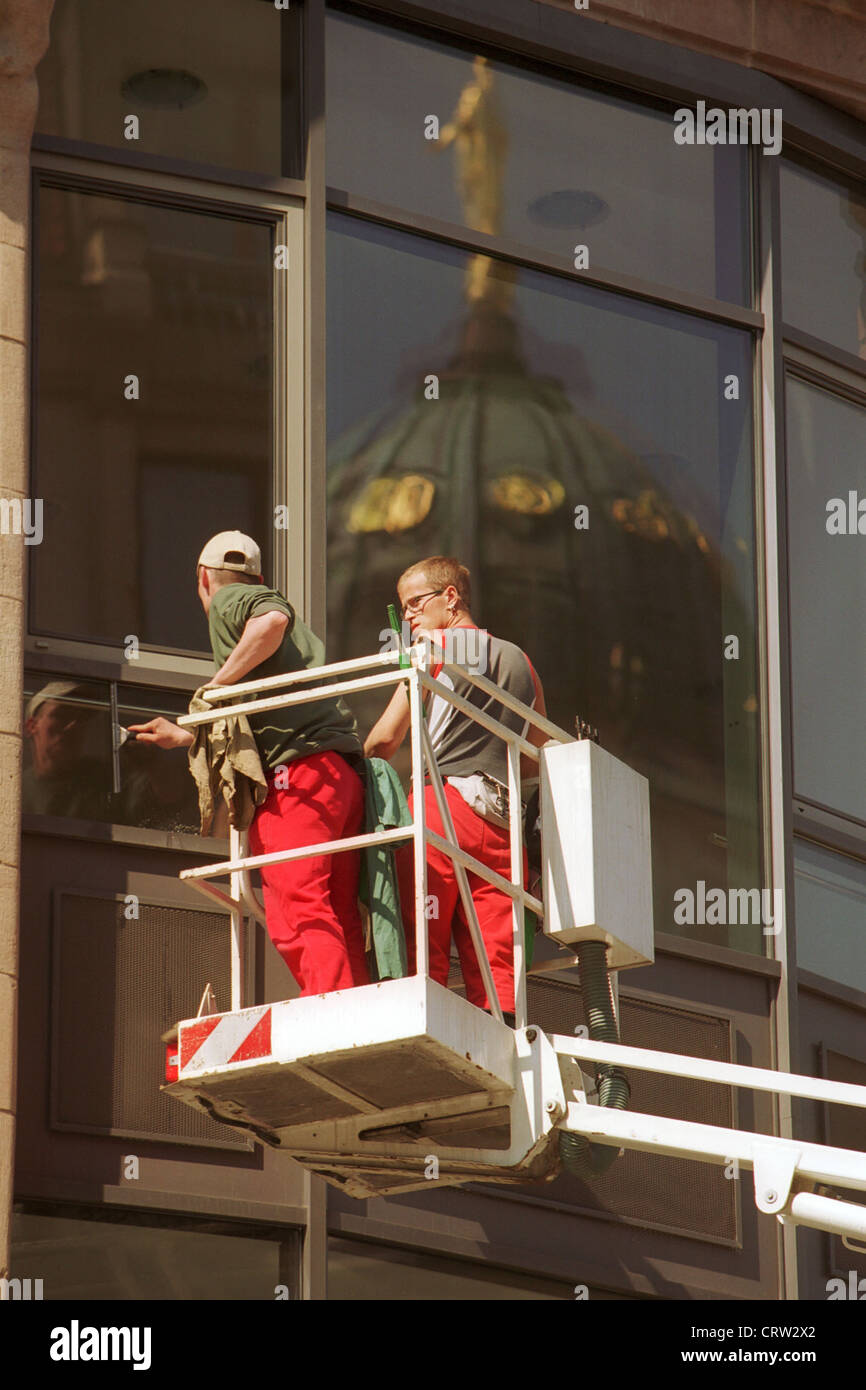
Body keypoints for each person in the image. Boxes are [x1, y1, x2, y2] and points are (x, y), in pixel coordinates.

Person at [129, 531, 369, 997]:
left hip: (296, 776)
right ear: (256, 571)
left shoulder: (228, 600)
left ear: (203, 579)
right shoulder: (263, 615)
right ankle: (353, 1001)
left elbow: (272, 618)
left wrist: (215, 689)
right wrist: (188, 733)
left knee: (295, 902)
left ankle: (328, 1003)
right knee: (335, 908)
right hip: (337, 776)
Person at [364, 556, 548, 1023]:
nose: (407, 616)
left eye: (415, 602)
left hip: (442, 807)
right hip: (503, 825)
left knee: (418, 931)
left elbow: (386, 738)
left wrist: (355, 766)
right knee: (496, 958)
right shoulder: (521, 661)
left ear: (451, 598)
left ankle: (411, 1023)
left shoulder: (431, 647)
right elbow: (536, 752)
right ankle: (501, 1036)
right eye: (402, 607)